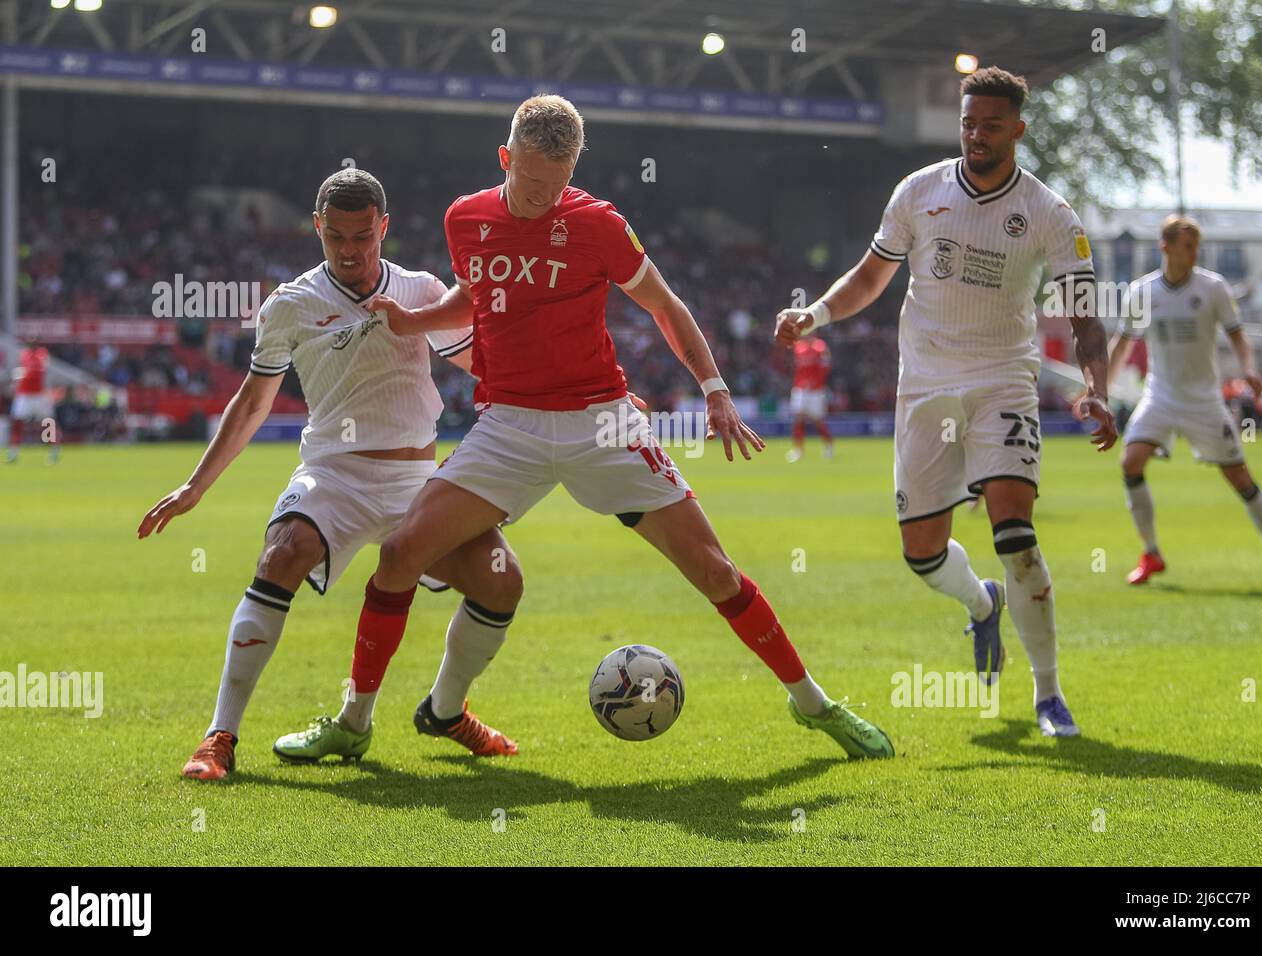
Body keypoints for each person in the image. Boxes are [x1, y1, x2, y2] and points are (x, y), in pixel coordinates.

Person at [280, 95, 894, 761]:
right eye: (533, 180)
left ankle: (814, 703)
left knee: (713, 571)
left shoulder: (599, 224)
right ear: (505, 158)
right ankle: (354, 721)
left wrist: (714, 390)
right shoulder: (466, 218)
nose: (547, 196)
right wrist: (417, 322)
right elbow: (478, 296)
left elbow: (664, 303)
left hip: (602, 423)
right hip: (508, 424)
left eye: (560, 181)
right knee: (400, 554)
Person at [139, 169, 524, 781]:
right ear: (318, 228)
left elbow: (491, 366)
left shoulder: (423, 291)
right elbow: (253, 401)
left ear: (384, 229)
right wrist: (195, 486)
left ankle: (446, 712)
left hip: (417, 482)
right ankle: (220, 736)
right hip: (334, 477)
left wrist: (584, 401)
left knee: (502, 581)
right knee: (284, 552)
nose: (350, 249)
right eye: (337, 236)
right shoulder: (290, 305)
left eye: (364, 236)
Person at [774, 67, 1117, 737]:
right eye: (968, 123)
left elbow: (1085, 318)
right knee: (922, 554)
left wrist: (1098, 391)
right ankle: (980, 602)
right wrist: (812, 315)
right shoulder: (919, 192)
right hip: (926, 386)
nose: (976, 135)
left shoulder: (1052, 214)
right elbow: (871, 277)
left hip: (1002, 380)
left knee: (1014, 531)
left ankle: (1048, 695)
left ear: (1017, 128)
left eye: (991, 125)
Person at [1107, 215, 1262, 589]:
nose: (1195, 254)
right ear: (1166, 247)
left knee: (1240, 478)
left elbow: (1238, 336)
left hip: (1204, 400)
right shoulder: (1142, 292)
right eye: (1188, 246)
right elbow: (1124, 344)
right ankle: (1151, 553)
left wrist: (1249, 369)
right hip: (1159, 395)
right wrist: (1099, 391)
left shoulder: (1213, 288)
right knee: (1130, 462)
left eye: (1197, 247)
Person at [7, 342, 59, 464]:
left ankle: (54, 450)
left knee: (47, 424)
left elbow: (39, 370)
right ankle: (13, 452)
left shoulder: (42, 354)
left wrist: (24, 373)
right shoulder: (24, 354)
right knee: (17, 424)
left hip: (38, 395)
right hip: (24, 395)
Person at [785, 335, 834, 462]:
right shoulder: (798, 346)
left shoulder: (820, 347)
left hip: (816, 390)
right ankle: (798, 450)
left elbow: (825, 368)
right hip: (800, 388)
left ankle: (828, 445)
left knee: (817, 420)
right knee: (798, 418)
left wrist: (815, 381)